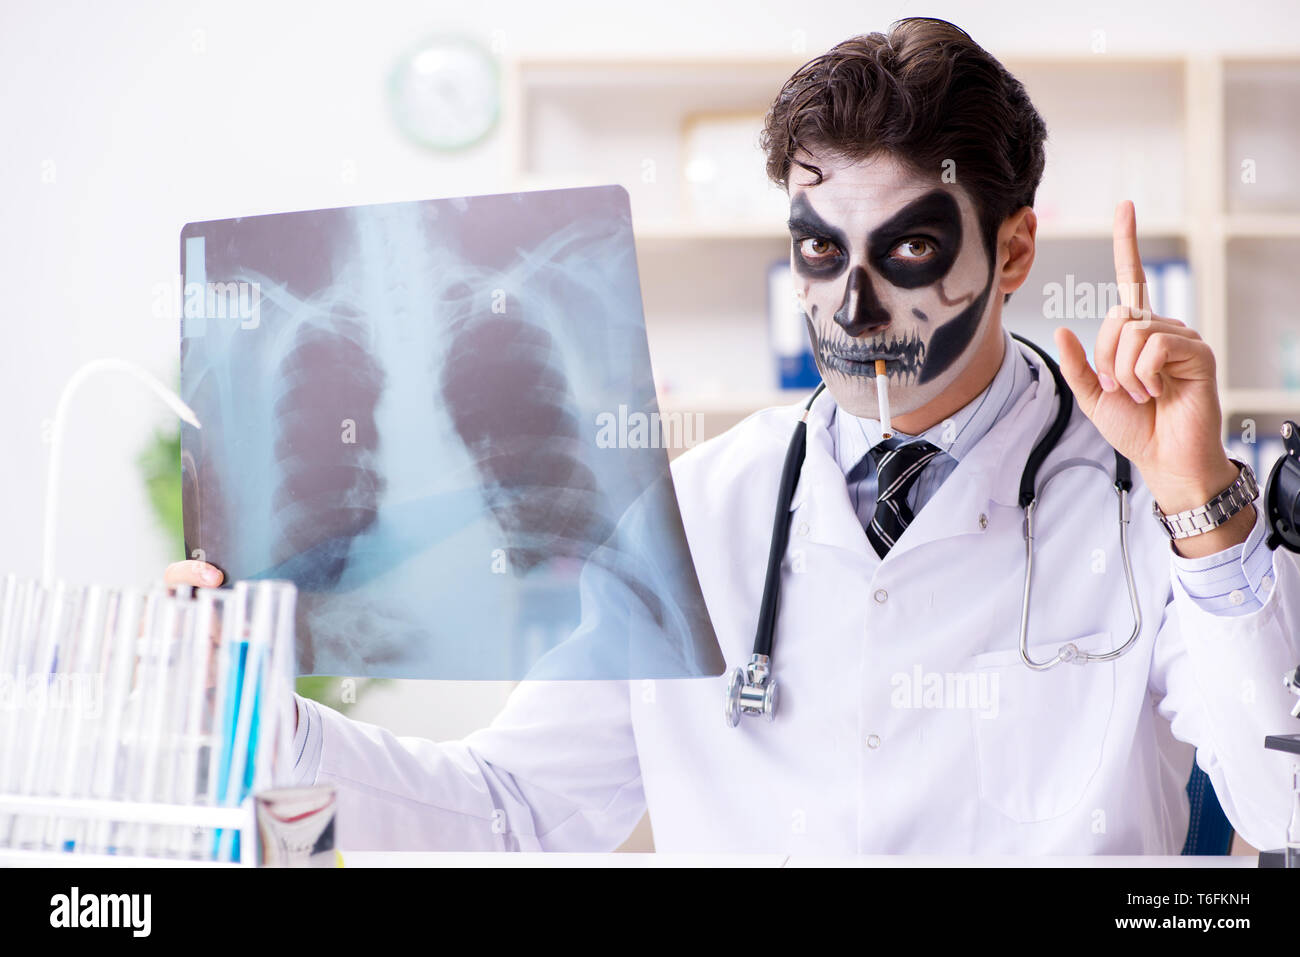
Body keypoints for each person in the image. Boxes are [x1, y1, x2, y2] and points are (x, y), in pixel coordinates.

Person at [166, 18, 1300, 854]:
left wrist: (1203, 511)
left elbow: (1282, 809)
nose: (851, 309)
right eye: (820, 251)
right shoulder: (698, 509)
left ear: (1011, 252)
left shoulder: (1154, 502)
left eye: (909, 250)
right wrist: (267, 722)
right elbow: (511, 810)